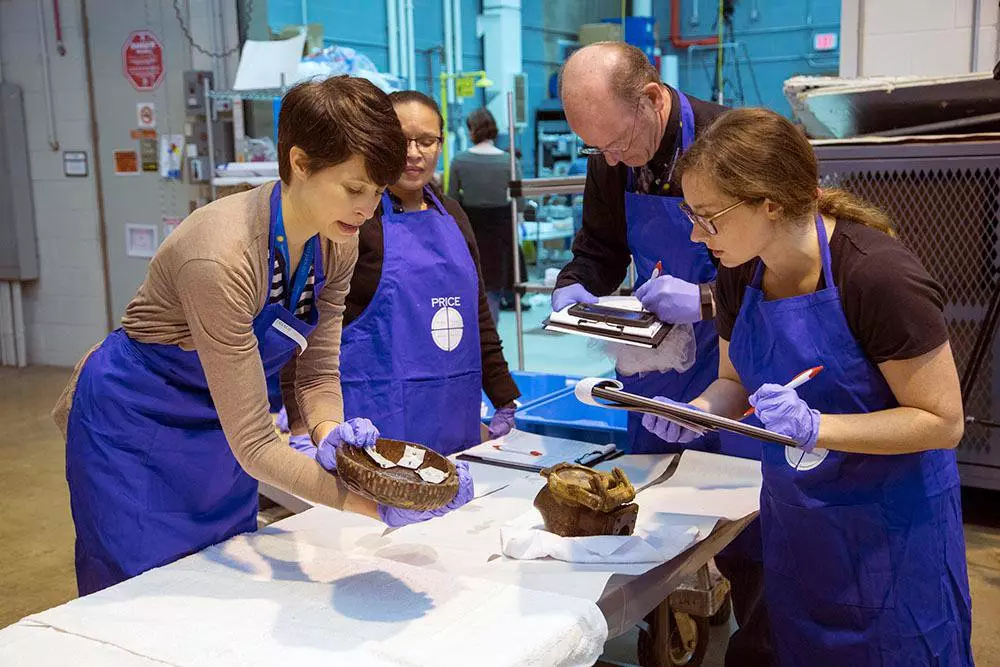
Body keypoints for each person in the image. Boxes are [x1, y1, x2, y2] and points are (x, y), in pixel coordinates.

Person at [53, 77, 474, 597]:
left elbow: (318, 371)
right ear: (300, 163)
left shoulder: (335, 240)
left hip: (219, 431)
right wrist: (367, 503)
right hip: (136, 428)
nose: (368, 210)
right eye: (354, 188)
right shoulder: (222, 257)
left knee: (220, 590)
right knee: (138, 600)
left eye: (379, 192)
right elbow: (254, 442)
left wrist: (330, 434)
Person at [643, 107, 974, 666]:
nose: (698, 236)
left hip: (890, 539)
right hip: (800, 530)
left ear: (769, 202)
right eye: (690, 215)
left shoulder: (877, 276)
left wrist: (818, 427)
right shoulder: (737, 270)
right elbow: (733, 380)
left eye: (709, 217)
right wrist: (697, 411)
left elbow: (943, 421)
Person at [554, 41, 770, 666]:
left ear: (651, 98)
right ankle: (666, 618)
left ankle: (753, 630)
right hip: (655, 374)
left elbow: (780, 265)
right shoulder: (611, 152)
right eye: (599, 150)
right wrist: (578, 283)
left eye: (619, 143)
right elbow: (600, 246)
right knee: (652, 518)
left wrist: (706, 299)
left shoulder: (734, 142)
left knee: (744, 523)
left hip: (739, 371)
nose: (613, 159)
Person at [285, 91, 520, 459]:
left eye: (427, 141)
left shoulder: (454, 215)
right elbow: (304, 323)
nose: (414, 153)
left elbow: (478, 318)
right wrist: (302, 423)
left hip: (452, 417)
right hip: (373, 420)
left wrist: (504, 398)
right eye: (401, 141)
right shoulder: (352, 220)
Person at [448, 107, 523, 324]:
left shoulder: (459, 161)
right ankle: (491, 342)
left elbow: (451, 201)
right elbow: (520, 204)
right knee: (494, 295)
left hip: (469, 233)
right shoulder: (509, 162)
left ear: (472, 130)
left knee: (469, 292)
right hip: (501, 235)